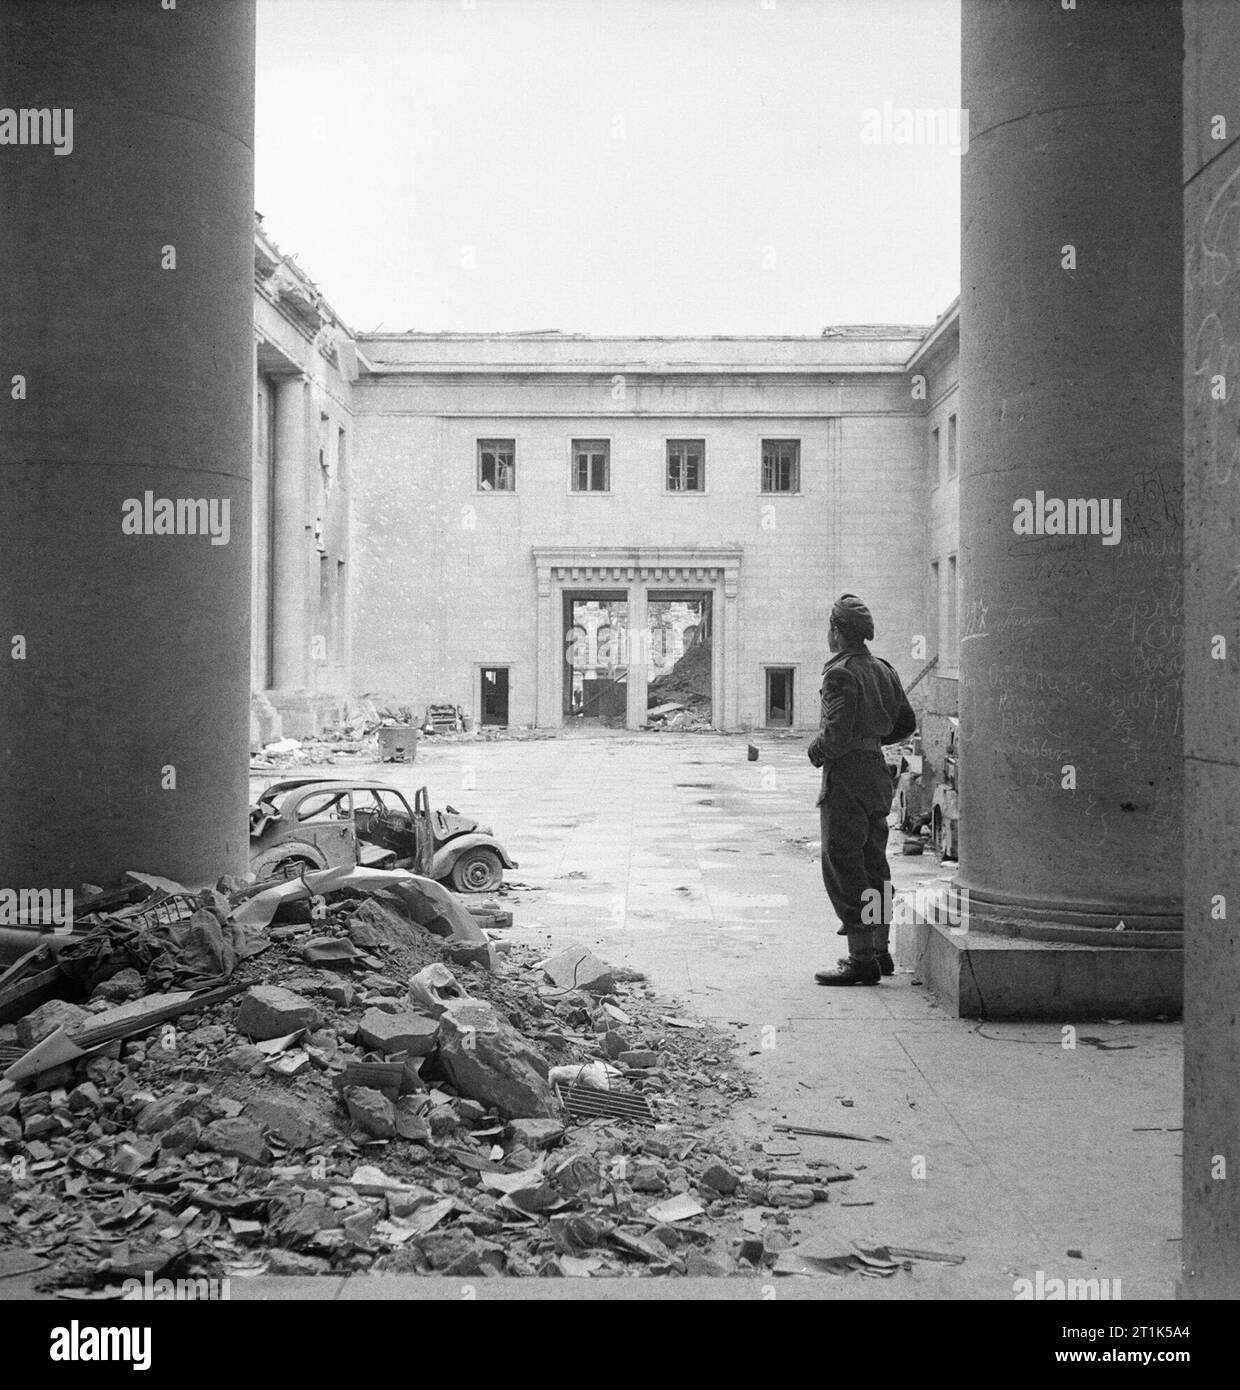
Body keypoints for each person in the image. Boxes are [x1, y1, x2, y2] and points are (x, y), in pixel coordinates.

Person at [808, 594, 917, 985]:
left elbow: (834, 737)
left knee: (843, 861)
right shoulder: (884, 669)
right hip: (876, 773)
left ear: (836, 632)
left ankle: (860, 959)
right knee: (875, 861)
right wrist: (874, 735)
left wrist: (815, 750)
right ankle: (881, 950)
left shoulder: (840, 673)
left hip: (848, 776)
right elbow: (906, 723)